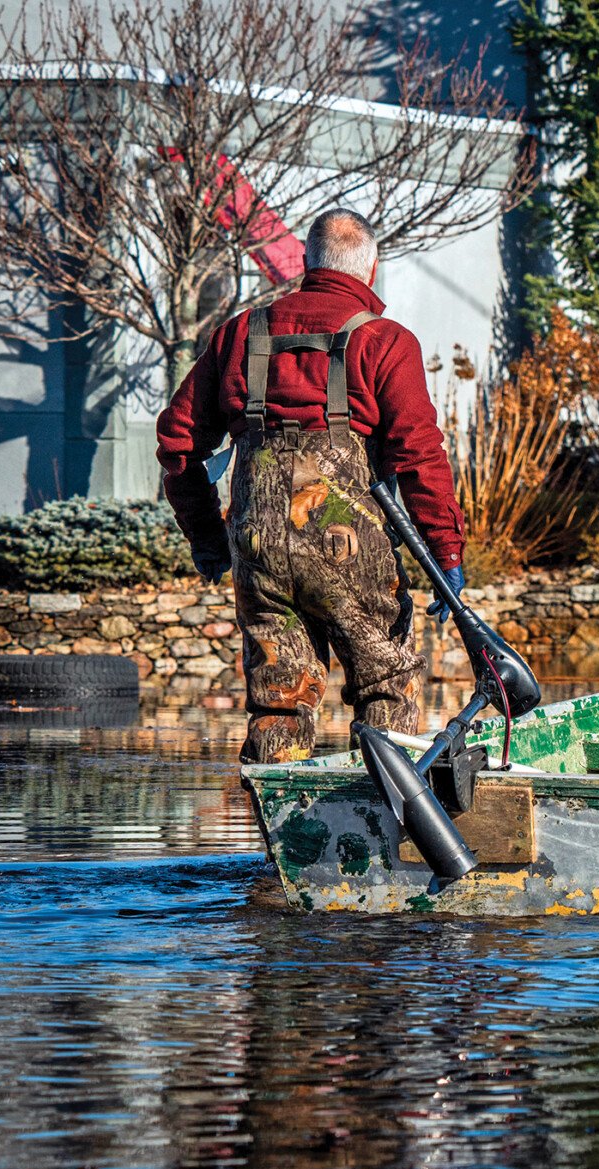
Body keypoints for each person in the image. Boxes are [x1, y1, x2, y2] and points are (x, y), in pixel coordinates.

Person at [157, 209, 466, 763]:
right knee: (385, 685)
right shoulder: (384, 340)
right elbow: (420, 455)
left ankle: (283, 841)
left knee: (279, 701)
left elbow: (178, 443)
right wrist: (445, 550)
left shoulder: (237, 335)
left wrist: (207, 537)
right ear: (371, 269)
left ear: (305, 263)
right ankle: (383, 831)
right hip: (348, 550)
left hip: (258, 549)